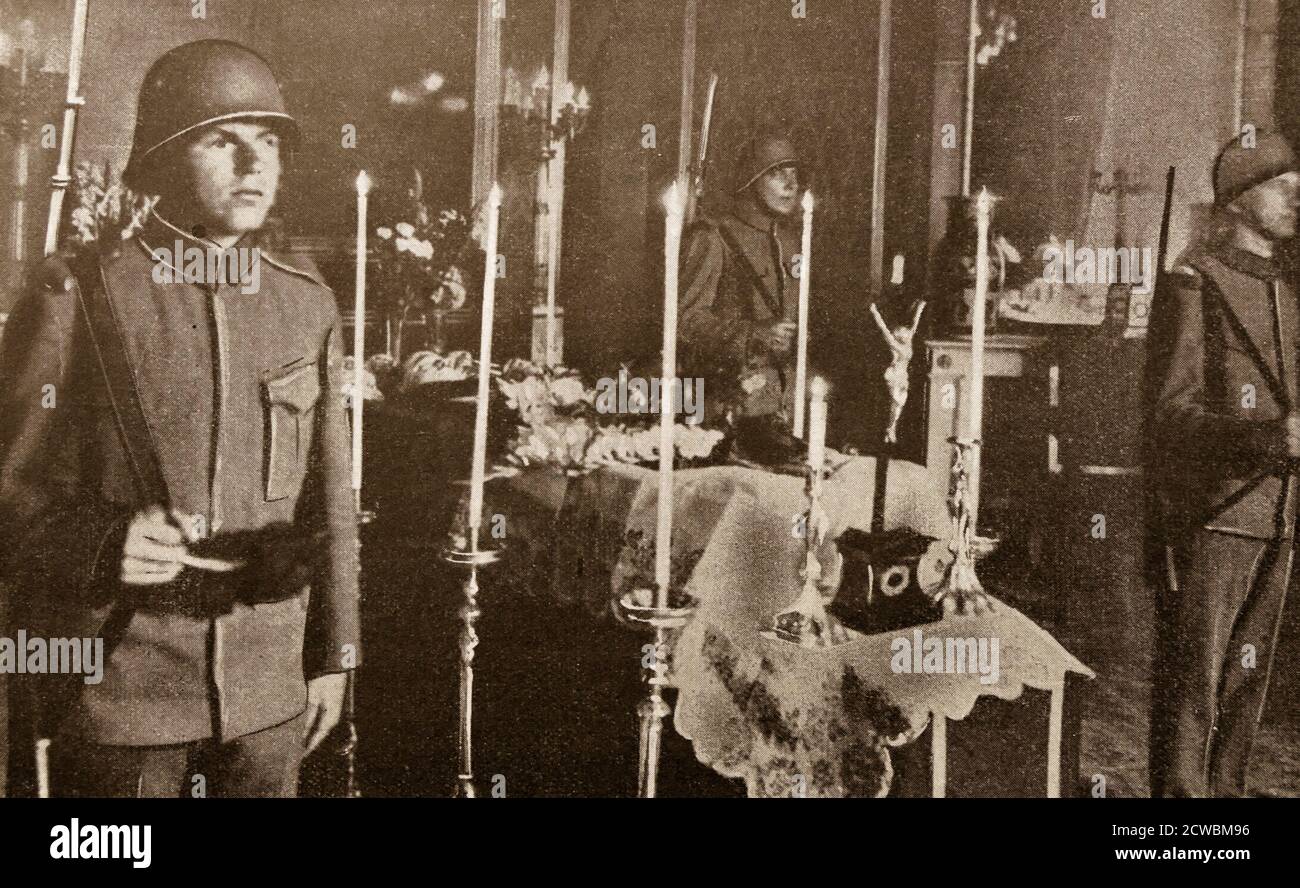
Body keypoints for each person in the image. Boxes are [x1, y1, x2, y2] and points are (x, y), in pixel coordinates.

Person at [0, 39, 360, 797]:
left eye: (267, 144)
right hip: (122, 693)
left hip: (269, 691)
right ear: (164, 158)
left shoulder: (306, 303)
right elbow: (10, 487)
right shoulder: (76, 296)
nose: (253, 165)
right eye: (222, 142)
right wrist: (101, 544)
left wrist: (334, 656)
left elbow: (331, 496)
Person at [1146, 131, 1300, 797]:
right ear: (1237, 203)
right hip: (1216, 514)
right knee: (1195, 689)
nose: (1299, 196)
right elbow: (1168, 418)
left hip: (1282, 516)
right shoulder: (1194, 284)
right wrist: (1267, 438)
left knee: (1247, 686)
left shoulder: (1289, 292)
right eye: (1280, 185)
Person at [679, 133, 806, 424]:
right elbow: (686, 322)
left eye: (794, 174)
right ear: (751, 180)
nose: (791, 184)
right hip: (729, 404)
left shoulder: (792, 242)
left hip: (786, 403)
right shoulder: (714, 237)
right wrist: (753, 334)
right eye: (776, 173)